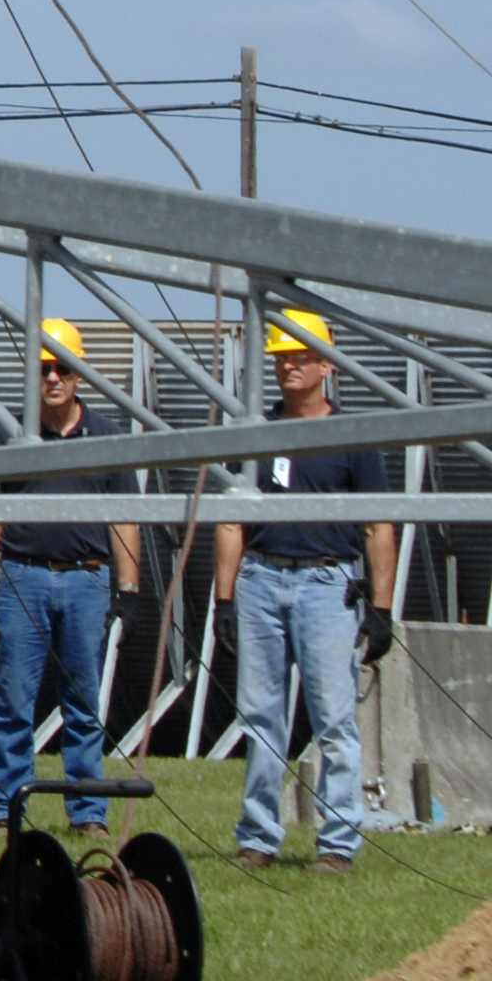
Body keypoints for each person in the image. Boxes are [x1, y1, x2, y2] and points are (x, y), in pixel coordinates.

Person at [215, 306, 404, 872]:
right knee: (261, 713)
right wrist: (224, 598)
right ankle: (258, 837)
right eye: (280, 357)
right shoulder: (257, 434)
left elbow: (378, 526)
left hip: (327, 581)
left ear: (326, 364)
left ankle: (338, 841)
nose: (287, 366)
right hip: (261, 579)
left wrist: (382, 610)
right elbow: (231, 521)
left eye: (299, 356)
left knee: (334, 717)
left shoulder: (352, 437)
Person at [0, 317, 140, 838]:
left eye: (63, 368)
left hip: (87, 582)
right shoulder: (11, 435)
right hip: (23, 581)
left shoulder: (106, 437)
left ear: (79, 375)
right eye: (43, 369)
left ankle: (88, 812)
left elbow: (124, 519)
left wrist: (128, 591)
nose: (53, 379)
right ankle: (6, 809)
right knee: (14, 701)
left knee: (84, 703)